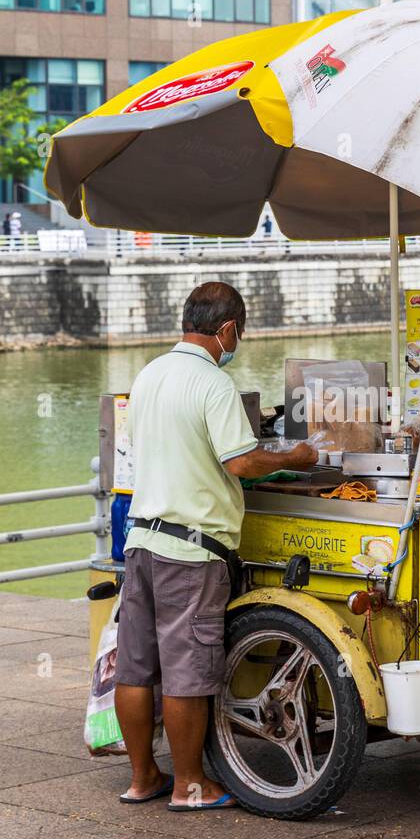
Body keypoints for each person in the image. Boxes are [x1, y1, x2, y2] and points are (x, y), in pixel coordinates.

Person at [115, 281, 317, 811]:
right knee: (186, 674)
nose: (238, 341)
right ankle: (189, 786)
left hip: (140, 541)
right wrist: (294, 457)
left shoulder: (149, 374)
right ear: (227, 329)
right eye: (240, 332)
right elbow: (241, 462)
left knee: (136, 668)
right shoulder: (213, 383)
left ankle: (142, 779)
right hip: (192, 549)